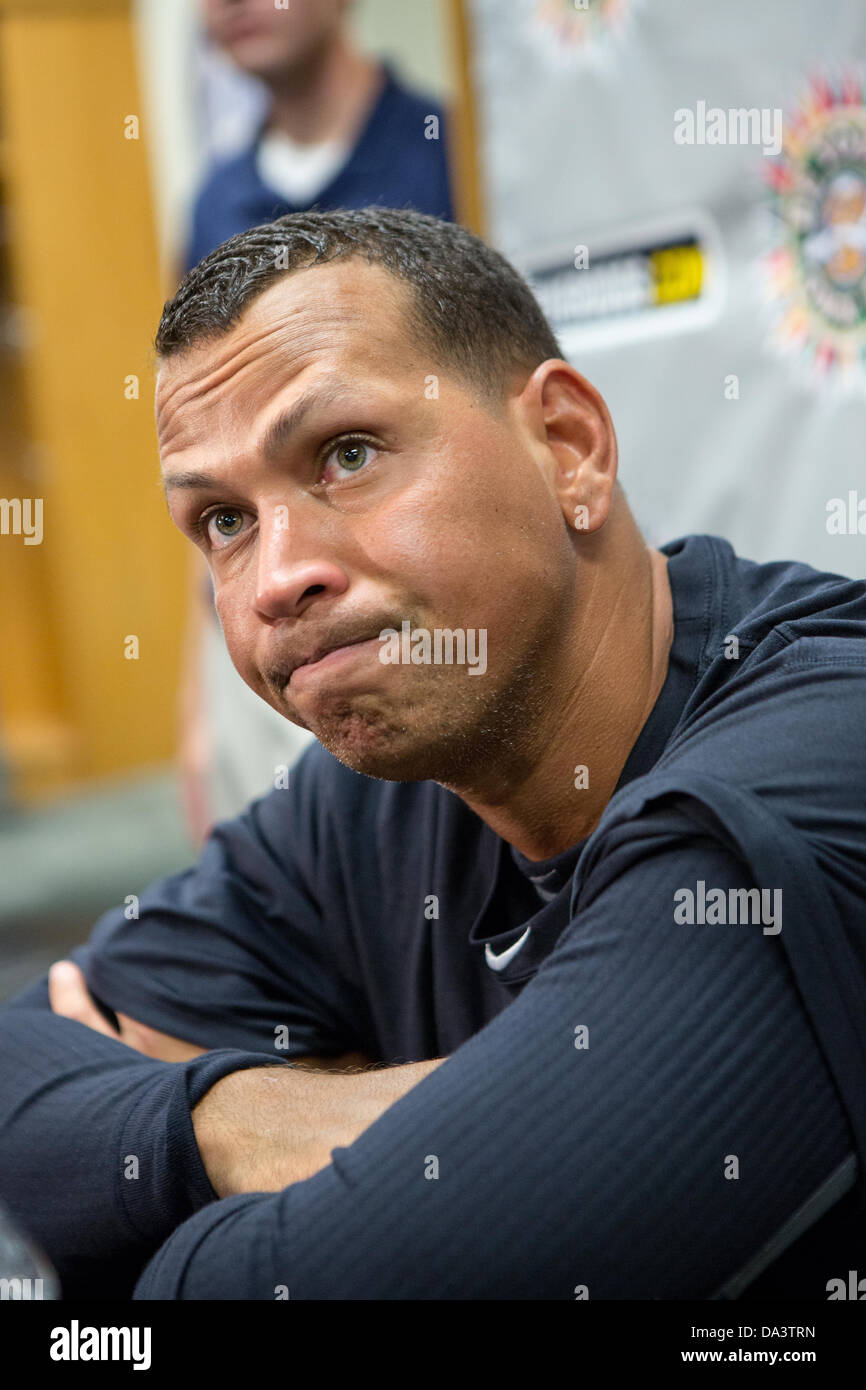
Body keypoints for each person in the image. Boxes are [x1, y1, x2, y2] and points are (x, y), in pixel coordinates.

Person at [1, 208, 865, 1301]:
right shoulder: (371, 800)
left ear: (566, 446)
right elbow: (16, 1071)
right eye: (222, 520)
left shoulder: (805, 775)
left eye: (346, 456)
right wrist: (241, 1119)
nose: (275, 579)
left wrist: (141, 1194)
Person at [179, 0, 454, 837]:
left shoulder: (447, 150)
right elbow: (200, 457)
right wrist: (198, 703)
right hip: (271, 631)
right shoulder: (217, 200)